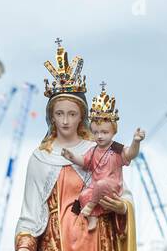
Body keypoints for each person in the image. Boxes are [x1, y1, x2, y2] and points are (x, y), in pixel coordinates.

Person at [11, 40, 140, 251]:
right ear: (50, 116)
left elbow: (122, 192)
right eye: (59, 113)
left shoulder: (99, 150)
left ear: (82, 115)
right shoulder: (41, 158)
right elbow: (30, 213)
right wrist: (25, 249)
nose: (65, 120)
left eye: (71, 113)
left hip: (99, 250)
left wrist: (123, 209)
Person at [58, 85, 144, 231]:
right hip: (95, 188)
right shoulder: (93, 150)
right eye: (96, 132)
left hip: (111, 186)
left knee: (100, 184)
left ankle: (90, 206)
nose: (99, 136)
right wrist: (71, 157)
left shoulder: (116, 148)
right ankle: (92, 219)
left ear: (113, 132)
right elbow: (84, 161)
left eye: (104, 132)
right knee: (85, 194)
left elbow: (130, 154)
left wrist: (136, 141)